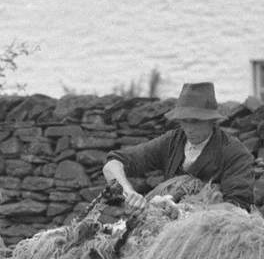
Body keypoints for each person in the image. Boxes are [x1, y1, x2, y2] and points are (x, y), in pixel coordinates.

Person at [102, 81, 255, 211]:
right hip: (167, 229)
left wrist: (186, 209)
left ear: (211, 120)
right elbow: (113, 164)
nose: (189, 128)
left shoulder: (234, 152)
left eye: (196, 121)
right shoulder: (172, 141)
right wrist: (128, 192)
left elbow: (238, 206)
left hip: (212, 232)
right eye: (184, 120)